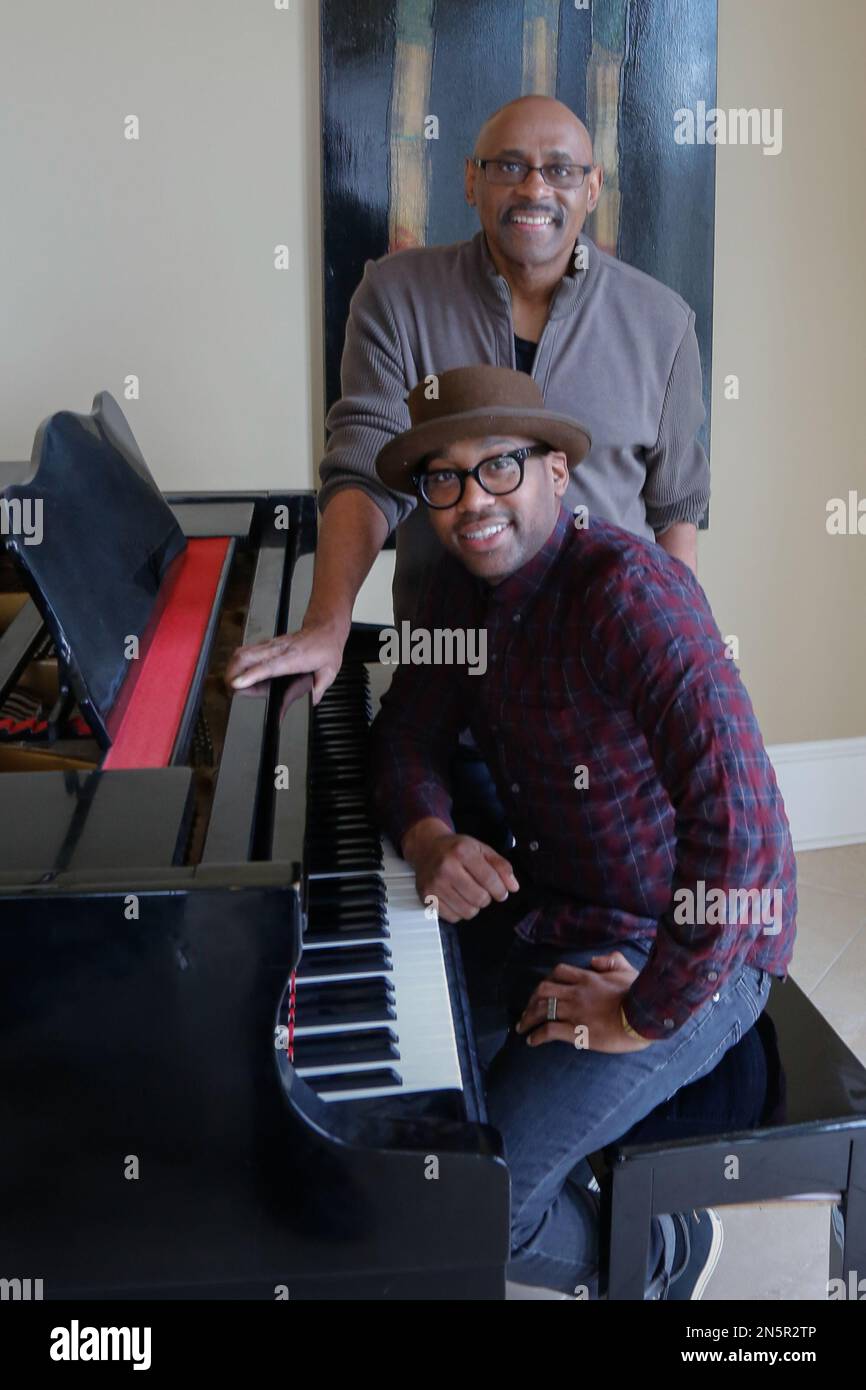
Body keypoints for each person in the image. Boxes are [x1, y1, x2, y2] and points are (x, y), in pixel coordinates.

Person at [366, 365, 797, 1300]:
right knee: (417, 1124)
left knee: (470, 1206)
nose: (470, 501)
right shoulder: (453, 588)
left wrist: (646, 1010)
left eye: (499, 467)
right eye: (442, 478)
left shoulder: (629, 594)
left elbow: (745, 835)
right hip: (564, 912)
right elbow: (406, 733)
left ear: (558, 470)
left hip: (701, 950)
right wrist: (432, 835)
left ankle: (663, 1256)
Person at [226, 94, 710, 706]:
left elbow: (674, 513)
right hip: (450, 686)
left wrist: (683, 665)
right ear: (470, 181)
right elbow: (363, 473)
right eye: (508, 166)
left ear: (592, 189)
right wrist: (329, 624)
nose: (535, 188)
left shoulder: (664, 323)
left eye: (560, 170)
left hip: (608, 692)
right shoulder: (396, 297)